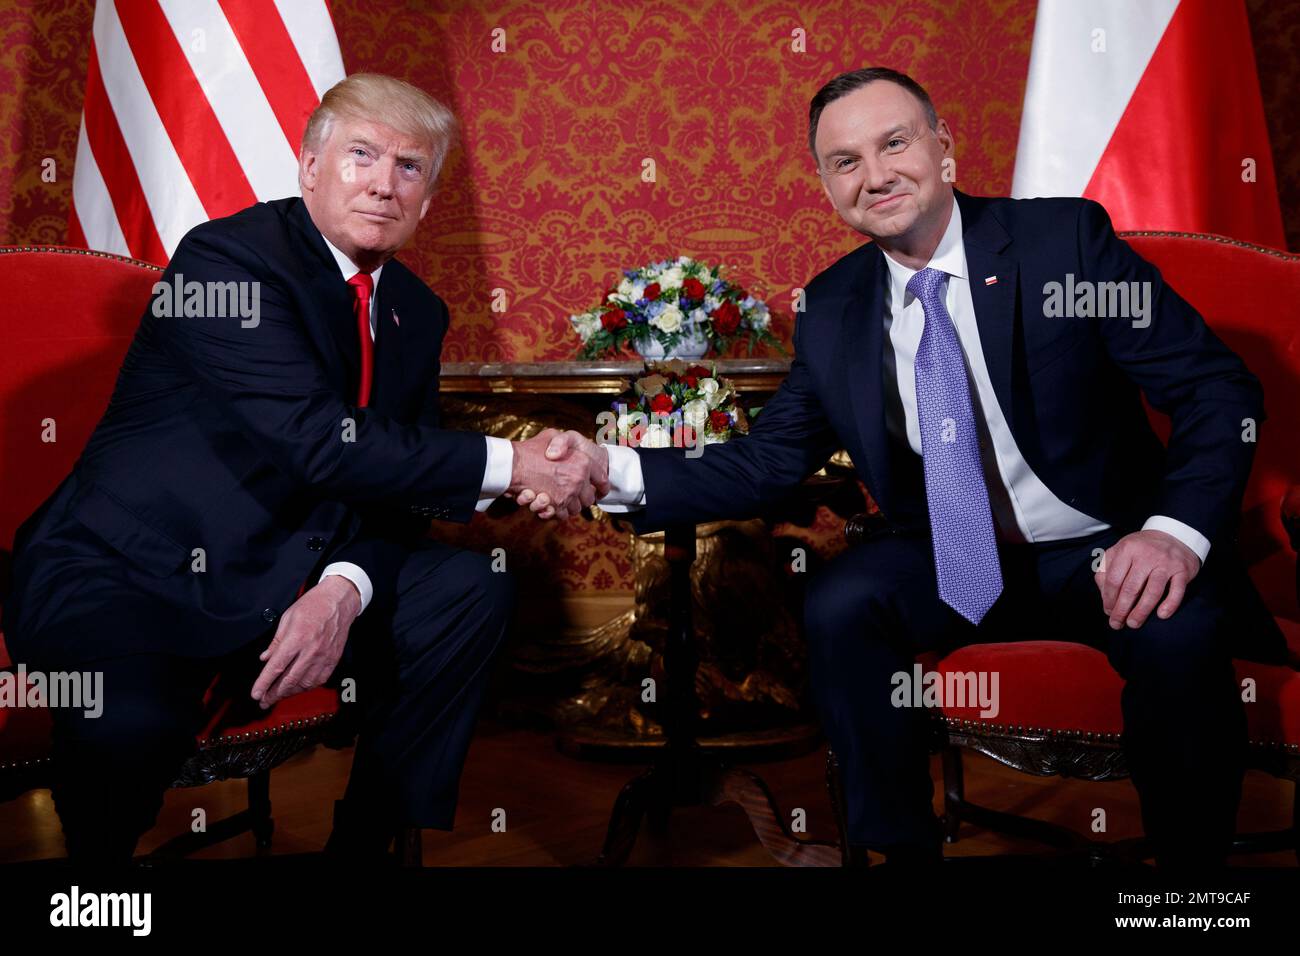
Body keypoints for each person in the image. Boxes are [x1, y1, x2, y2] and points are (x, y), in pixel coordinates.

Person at [531, 67, 1289, 868]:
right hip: (960, 562)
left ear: (945, 150)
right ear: (827, 185)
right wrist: (604, 465)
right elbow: (765, 463)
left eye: (894, 143)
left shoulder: (1063, 244)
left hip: (1110, 547)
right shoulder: (832, 306)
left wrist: (1172, 534)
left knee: (1178, 629)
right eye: (846, 161)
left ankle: (1189, 888)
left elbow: (1213, 387)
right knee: (844, 601)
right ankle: (898, 856)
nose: (876, 174)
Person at [2, 73, 608, 863]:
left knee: (469, 589)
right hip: (130, 571)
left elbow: (402, 490)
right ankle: (95, 896)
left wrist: (341, 589)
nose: (384, 185)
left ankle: (364, 847)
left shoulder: (415, 311)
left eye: (410, 167)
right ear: (310, 165)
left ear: (428, 199)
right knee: (130, 722)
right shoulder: (223, 265)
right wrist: (514, 460)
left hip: (294, 569)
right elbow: (318, 438)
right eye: (362, 155)